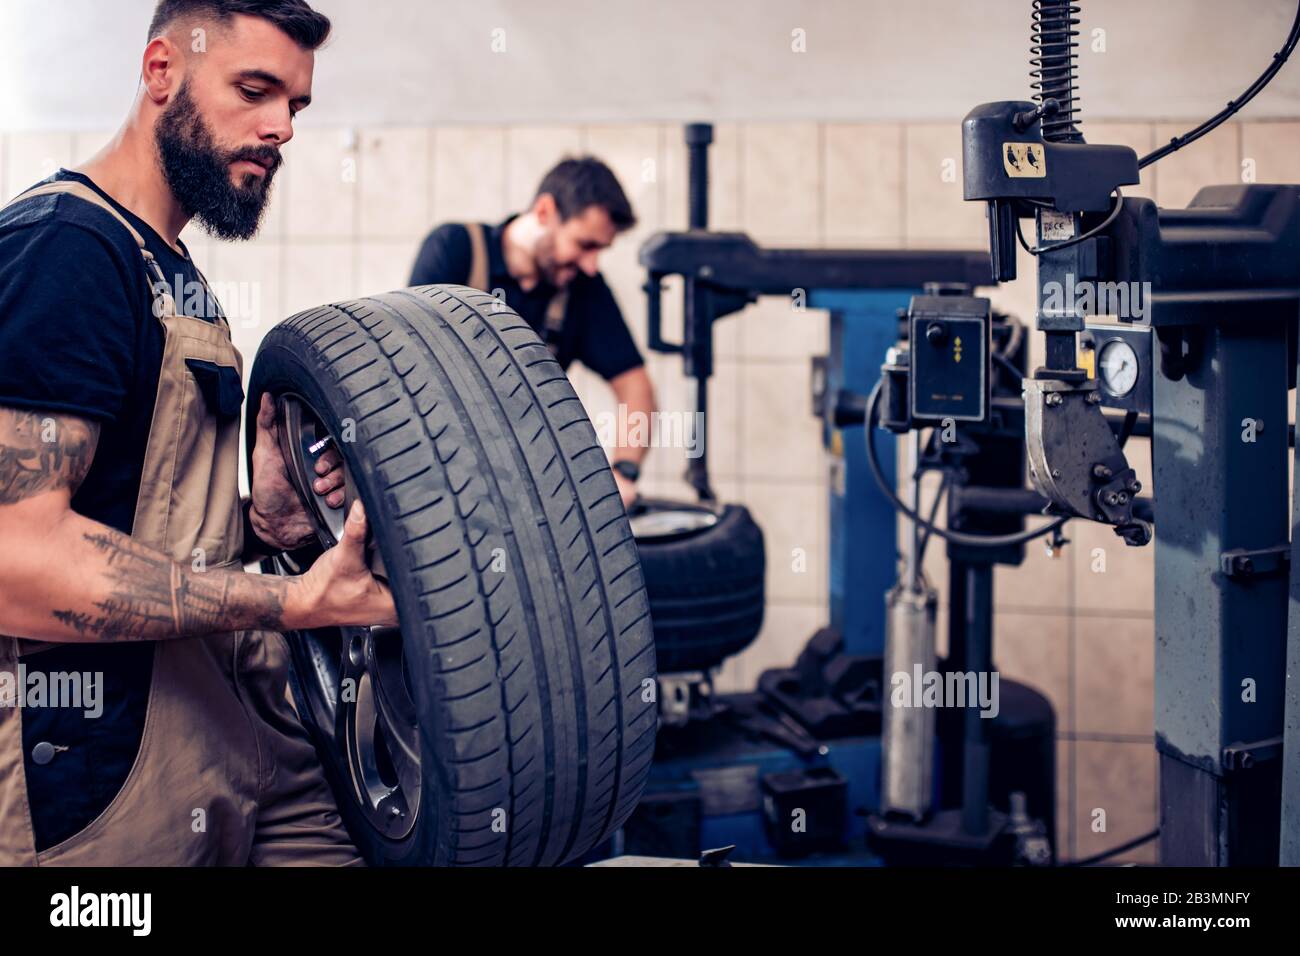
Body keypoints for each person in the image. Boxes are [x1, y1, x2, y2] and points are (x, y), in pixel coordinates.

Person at [0, 0, 395, 866]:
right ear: (160, 72)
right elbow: (18, 567)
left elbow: (148, 523)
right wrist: (294, 602)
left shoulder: (173, 270)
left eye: (295, 106)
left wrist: (268, 523)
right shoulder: (67, 251)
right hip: (102, 770)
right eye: (254, 90)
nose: (280, 127)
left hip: (241, 722)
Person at [409, 158, 657, 507]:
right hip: (436, 483)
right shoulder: (457, 250)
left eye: (600, 251)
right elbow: (409, 368)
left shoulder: (583, 288)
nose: (591, 265)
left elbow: (635, 386)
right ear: (544, 211)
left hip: (527, 493)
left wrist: (624, 472)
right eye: (585, 245)